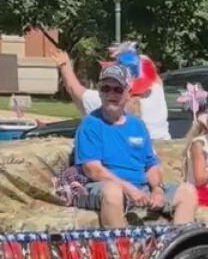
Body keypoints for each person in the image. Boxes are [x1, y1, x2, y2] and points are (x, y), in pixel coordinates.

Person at [67, 65, 196, 228]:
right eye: (106, 88)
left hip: (140, 187)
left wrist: (157, 189)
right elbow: (93, 170)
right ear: (99, 91)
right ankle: (122, 244)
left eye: (117, 89)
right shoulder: (90, 125)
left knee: (187, 192)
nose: (111, 94)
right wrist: (128, 189)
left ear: (128, 93)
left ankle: (175, 242)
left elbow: (151, 164)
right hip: (103, 187)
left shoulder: (138, 126)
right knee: (113, 192)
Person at [53, 48, 171, 141]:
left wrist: (64, 64)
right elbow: (152, 72)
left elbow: (73, 89)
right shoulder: (156, 94)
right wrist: (129, 52)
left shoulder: (106, 100)